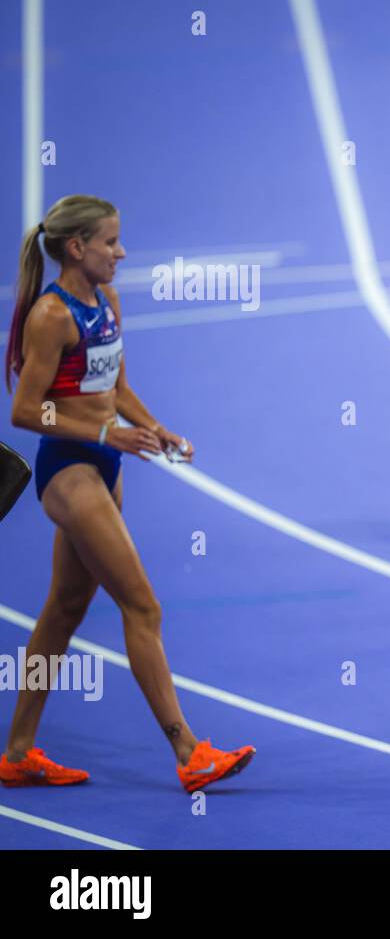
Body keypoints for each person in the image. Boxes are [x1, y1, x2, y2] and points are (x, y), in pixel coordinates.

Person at [1, 195, 254, 792]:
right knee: (143, 607)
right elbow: (24, 409)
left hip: (105, 463)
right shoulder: (51, 316)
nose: (121, 252)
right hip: (68, 472)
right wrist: (103, 432)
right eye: (111, 242)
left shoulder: (106, 301)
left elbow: (114, 384)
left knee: (63, 611)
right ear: (76, 248)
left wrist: (156, 429)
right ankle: (189, 751)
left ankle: (16, 752)